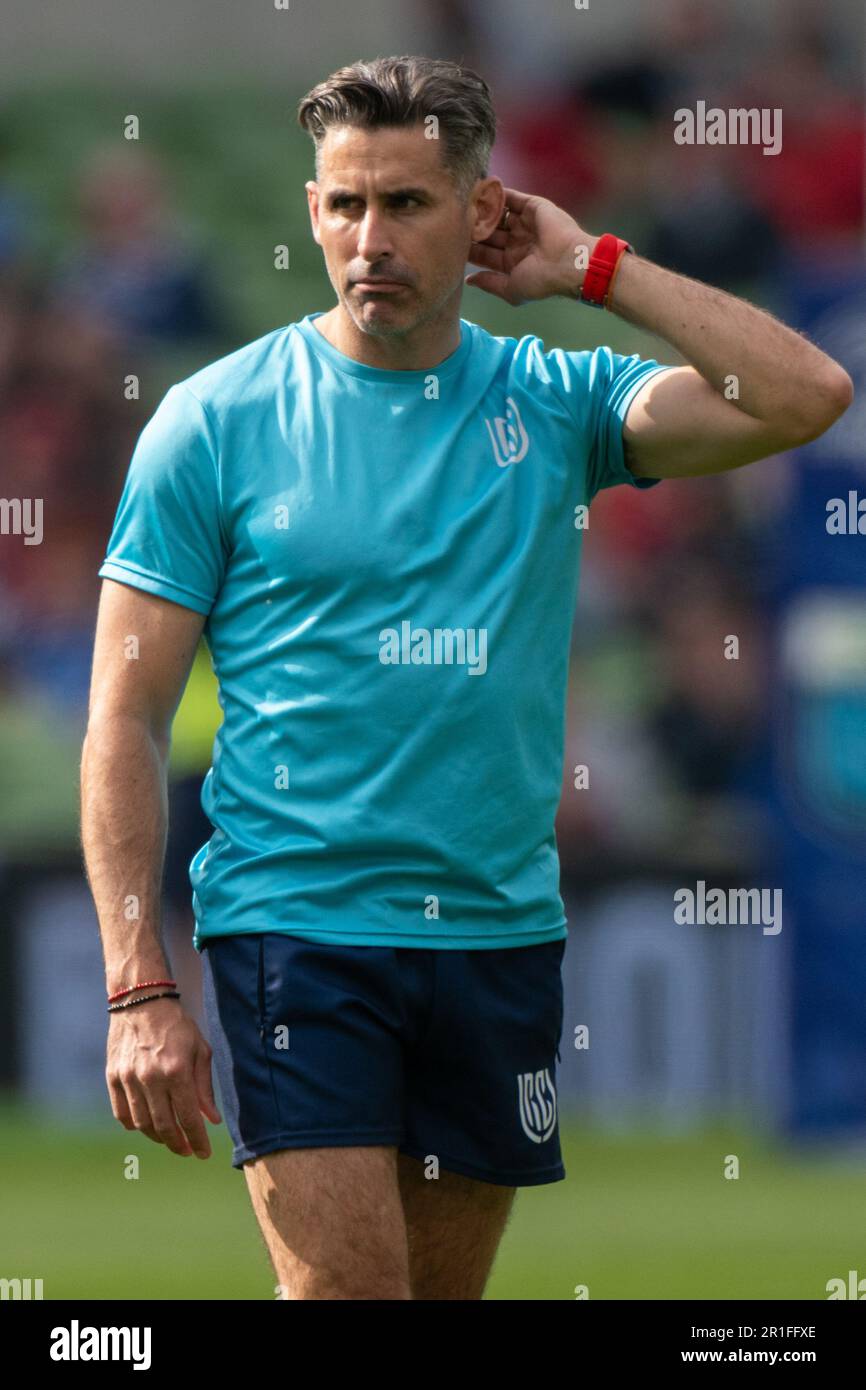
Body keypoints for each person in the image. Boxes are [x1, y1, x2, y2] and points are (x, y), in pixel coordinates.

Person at [80, 55, 852, 1301]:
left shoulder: (553, 400)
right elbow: (121, 716)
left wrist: (590, 268)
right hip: (298, 929)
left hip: (496, 938)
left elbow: (802, 395)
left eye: (405, 203)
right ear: (312, 208)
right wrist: (137, 984)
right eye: (342, 204)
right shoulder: (210, 422)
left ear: (479, 208)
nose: (367, 237)